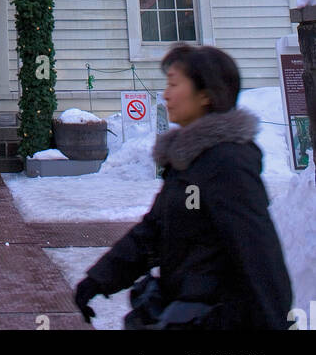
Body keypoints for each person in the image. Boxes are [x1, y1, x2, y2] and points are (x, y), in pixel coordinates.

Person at [73, 45, 293, 330]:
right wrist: (98, 280)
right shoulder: (189, 160)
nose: (166, 94)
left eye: (174, 84)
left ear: (205, 94)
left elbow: (258, 253)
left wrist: (274, 322)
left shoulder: (227, 163)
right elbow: (152, 231)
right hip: (186, 313)